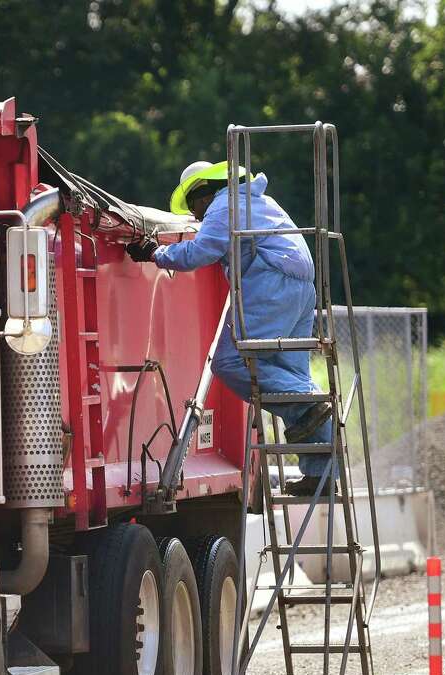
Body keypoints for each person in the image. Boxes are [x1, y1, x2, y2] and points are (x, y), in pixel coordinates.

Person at [126, 161, 334, 497]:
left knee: (231, 361)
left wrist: (156, 253)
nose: (195, 218)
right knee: (289, 374)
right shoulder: (257, 201)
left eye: (194, 209)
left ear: (202, 195)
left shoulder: (224, 205)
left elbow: (200, 252)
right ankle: (321, 475)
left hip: (269, 282)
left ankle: (306, 408)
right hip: (301, 289)